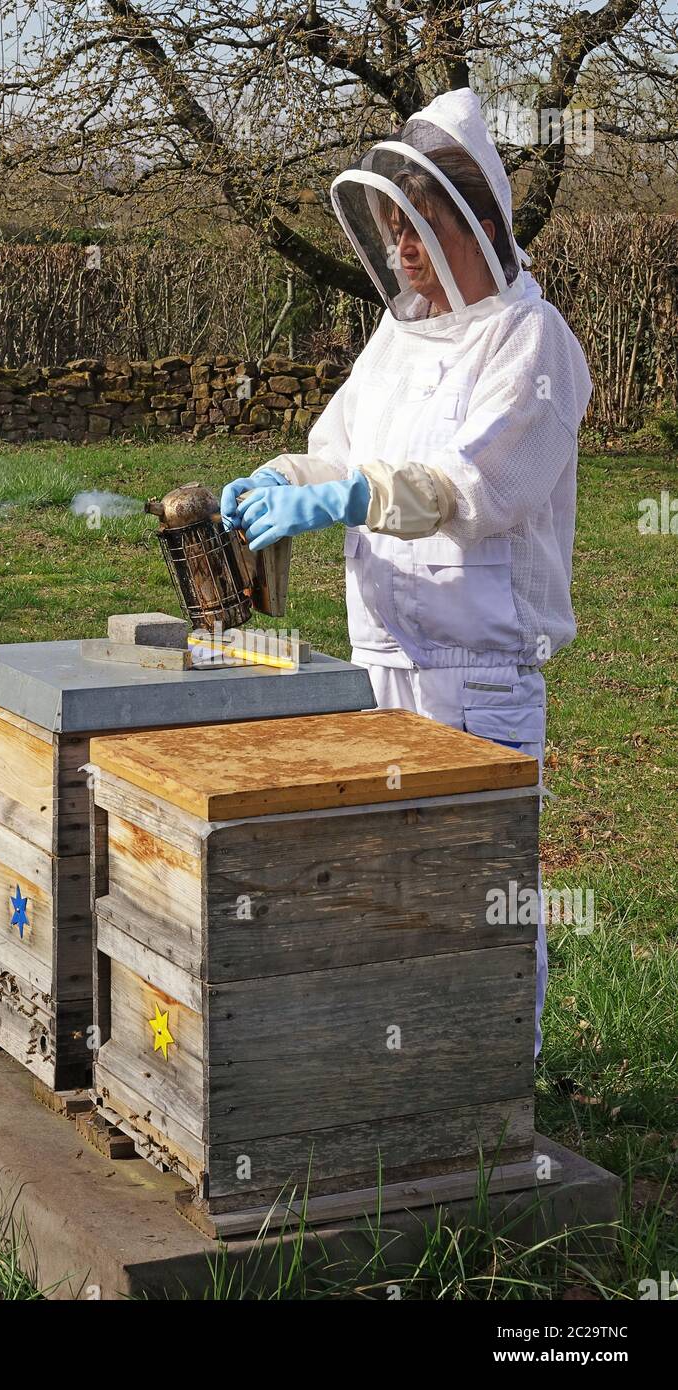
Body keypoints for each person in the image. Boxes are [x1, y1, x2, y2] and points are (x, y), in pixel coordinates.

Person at [221, 87, 593, 1058]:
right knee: (381, 891)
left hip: (475, 679)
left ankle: (495, 1089)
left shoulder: (532, 343)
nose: (402, 252)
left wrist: (346, 498)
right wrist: (281, 477)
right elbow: (334, 449)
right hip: (376, 664)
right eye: (392, 231)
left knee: (475, 898)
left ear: (469, 224)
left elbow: (473, 490)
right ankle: (400, 1087)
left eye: (417, 229)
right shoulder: (398, 338)